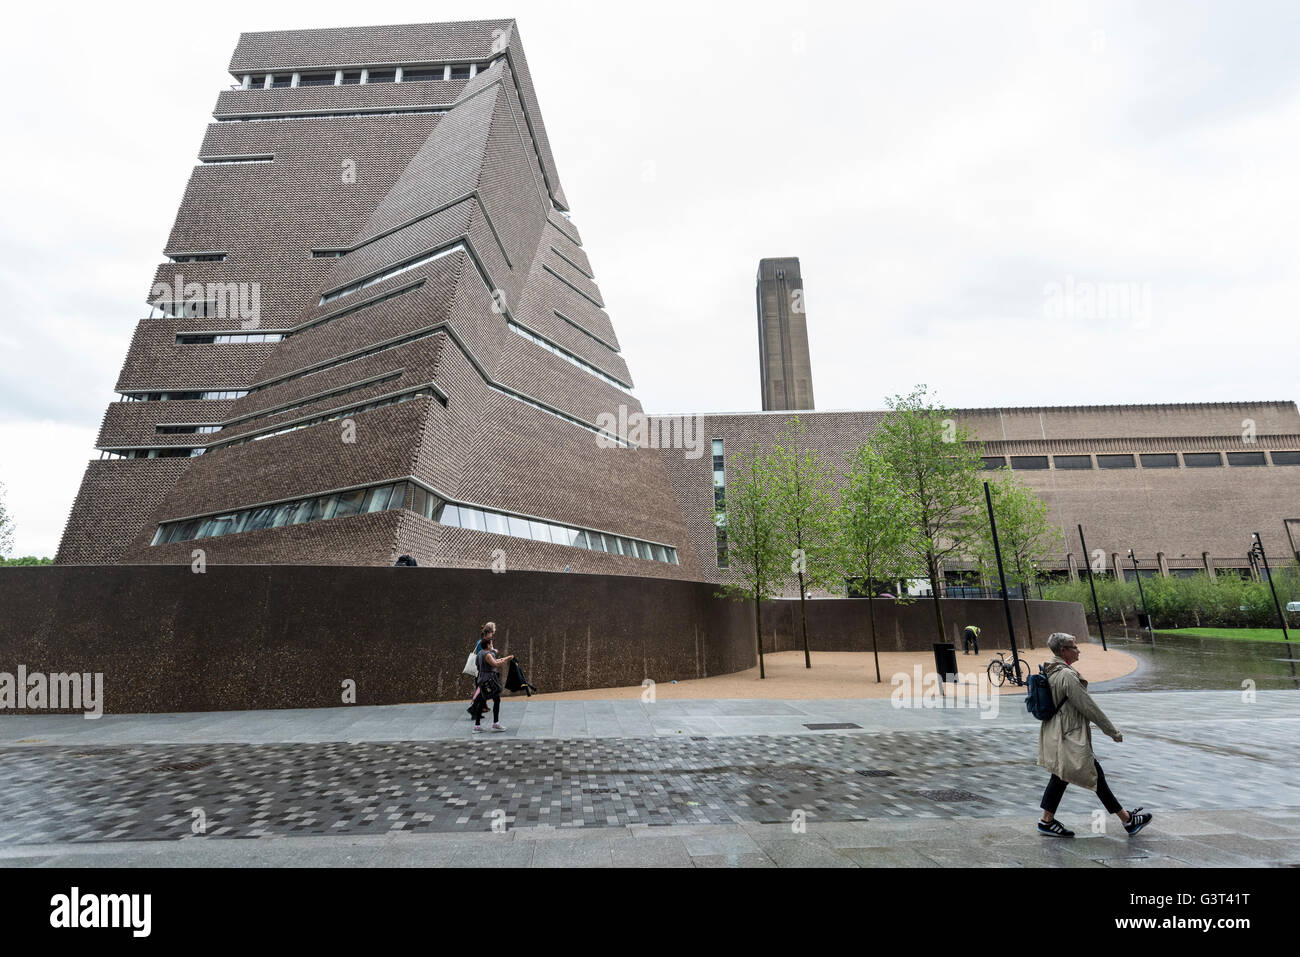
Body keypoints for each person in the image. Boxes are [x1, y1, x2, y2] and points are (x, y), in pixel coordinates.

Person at [1036, 632, 1152, 838]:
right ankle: (1127, 821)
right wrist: (1112, 731)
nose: (1078, 650)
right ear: (1063, 651)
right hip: (1069, 736)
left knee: (1061, 776)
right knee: (1094, 775)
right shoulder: (1066, 675)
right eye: (1074, 646)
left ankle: (1046, 820)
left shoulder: (1052, 670)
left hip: (1058, 733)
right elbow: (1088, 707)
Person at [471, 631, 513, 733]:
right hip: (489, 680)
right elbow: (496, 664)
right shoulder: (488, 654)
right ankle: (495, 723)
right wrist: (506, 659)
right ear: (488, 645)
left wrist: (505, 658)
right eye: (491, 644)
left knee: (482, 700)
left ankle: (477, 725)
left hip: (482, 678)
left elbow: (479, 665)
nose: (492, 645)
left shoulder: (480, 653)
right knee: (496, 700)